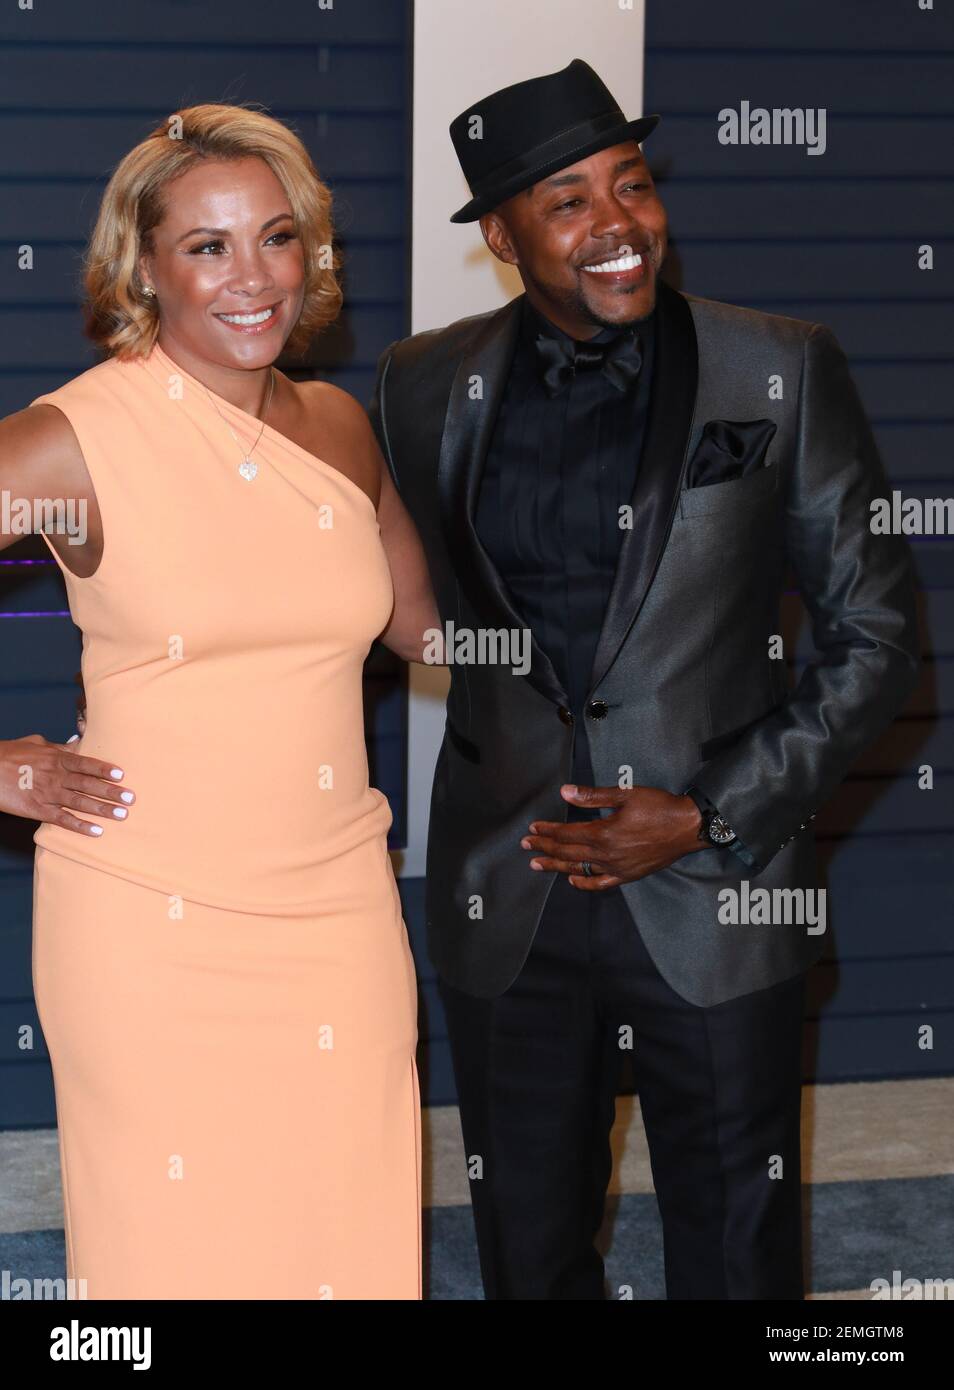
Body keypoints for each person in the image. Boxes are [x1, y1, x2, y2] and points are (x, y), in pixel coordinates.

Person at [368, 59, 920, 1299]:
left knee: (738, 1255)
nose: (618, 224)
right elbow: (366, 608)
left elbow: (876, 633)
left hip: (716, 893)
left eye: (630, 185)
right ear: (502, 238)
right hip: (506, 895)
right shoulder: (418, 384)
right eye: (567, 201)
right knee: (525, 1252)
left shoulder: (778, 367)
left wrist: (711, 811)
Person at [0, 102, 438, 1299]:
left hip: (338, 911)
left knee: (341, 1240)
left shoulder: (338, 428)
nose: (253, 279)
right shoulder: (71, 445)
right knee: (174, 1258)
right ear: (142, 266)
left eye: (278, 238)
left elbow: (426, 628)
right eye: (208, 246)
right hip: (149, 919)